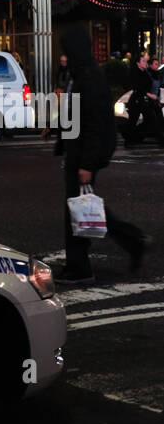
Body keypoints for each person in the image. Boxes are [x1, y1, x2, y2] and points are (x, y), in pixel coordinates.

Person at [51, 24, 151, 285]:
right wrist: (58, 134)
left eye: (67, 49)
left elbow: (94, 123)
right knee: (82, 206)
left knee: (78, 207)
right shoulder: (78, 71)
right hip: (78, 150)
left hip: (84, 152)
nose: (64, 55)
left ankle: (81, 267)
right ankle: (131, 241)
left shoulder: (89, 76)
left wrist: (86, 163)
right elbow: (75, 113)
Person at [125, 51, 164, 146]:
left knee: (151, 119)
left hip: (144, 101)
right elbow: (138, 87)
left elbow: (151, 84)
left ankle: (135, 138)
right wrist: (150, 95)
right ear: (138, 63)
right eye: (143, 61)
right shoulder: (135, 73)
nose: (145, 62)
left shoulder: (145, 72)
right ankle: (129, 140)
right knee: (133, 121)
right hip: (136, 100)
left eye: (145, 61)